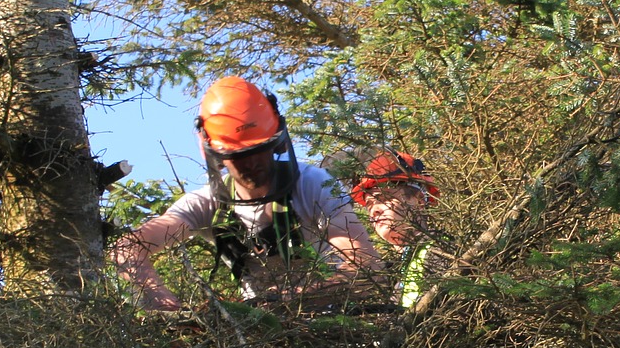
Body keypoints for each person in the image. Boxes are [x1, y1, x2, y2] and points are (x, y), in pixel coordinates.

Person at [111, 77, 380, 309]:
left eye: (258, 150)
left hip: (343, 325)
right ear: (215, 154)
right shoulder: (205, 205)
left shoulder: (313, 185)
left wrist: (296, 297)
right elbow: (127, 249)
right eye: (238, 155)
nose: (251, 162)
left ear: (277, 141)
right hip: (263, 340)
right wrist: (166, 305)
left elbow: (368, 269)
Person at [350, 151, 443, 309]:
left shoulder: (439, 252)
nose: (374, 211)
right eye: (369, 205)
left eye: (383, 198)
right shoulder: (394, 269)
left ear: (419, 201)